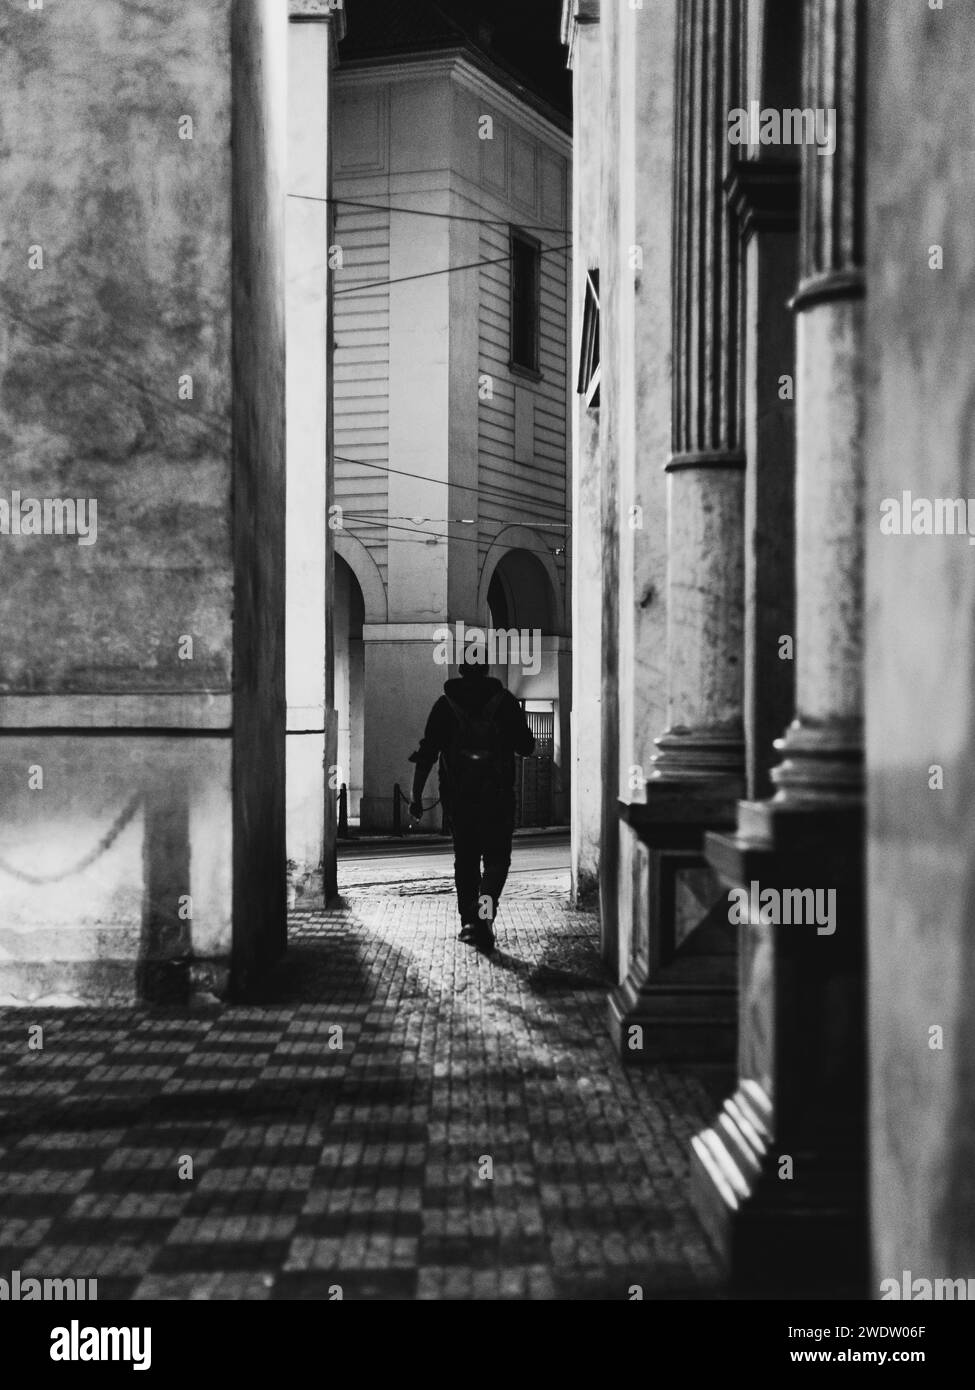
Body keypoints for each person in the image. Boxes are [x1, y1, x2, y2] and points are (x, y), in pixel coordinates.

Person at [408, 653, 534, 955]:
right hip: (498, 799)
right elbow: (527, 746)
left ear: (462, 671)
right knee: (496, 862)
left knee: (465, 863)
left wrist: (415, 797)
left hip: (459, 800)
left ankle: (468, 922)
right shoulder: (504, 703)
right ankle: (485, 915)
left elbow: (426, 754)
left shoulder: (444, 705)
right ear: (487, 670)